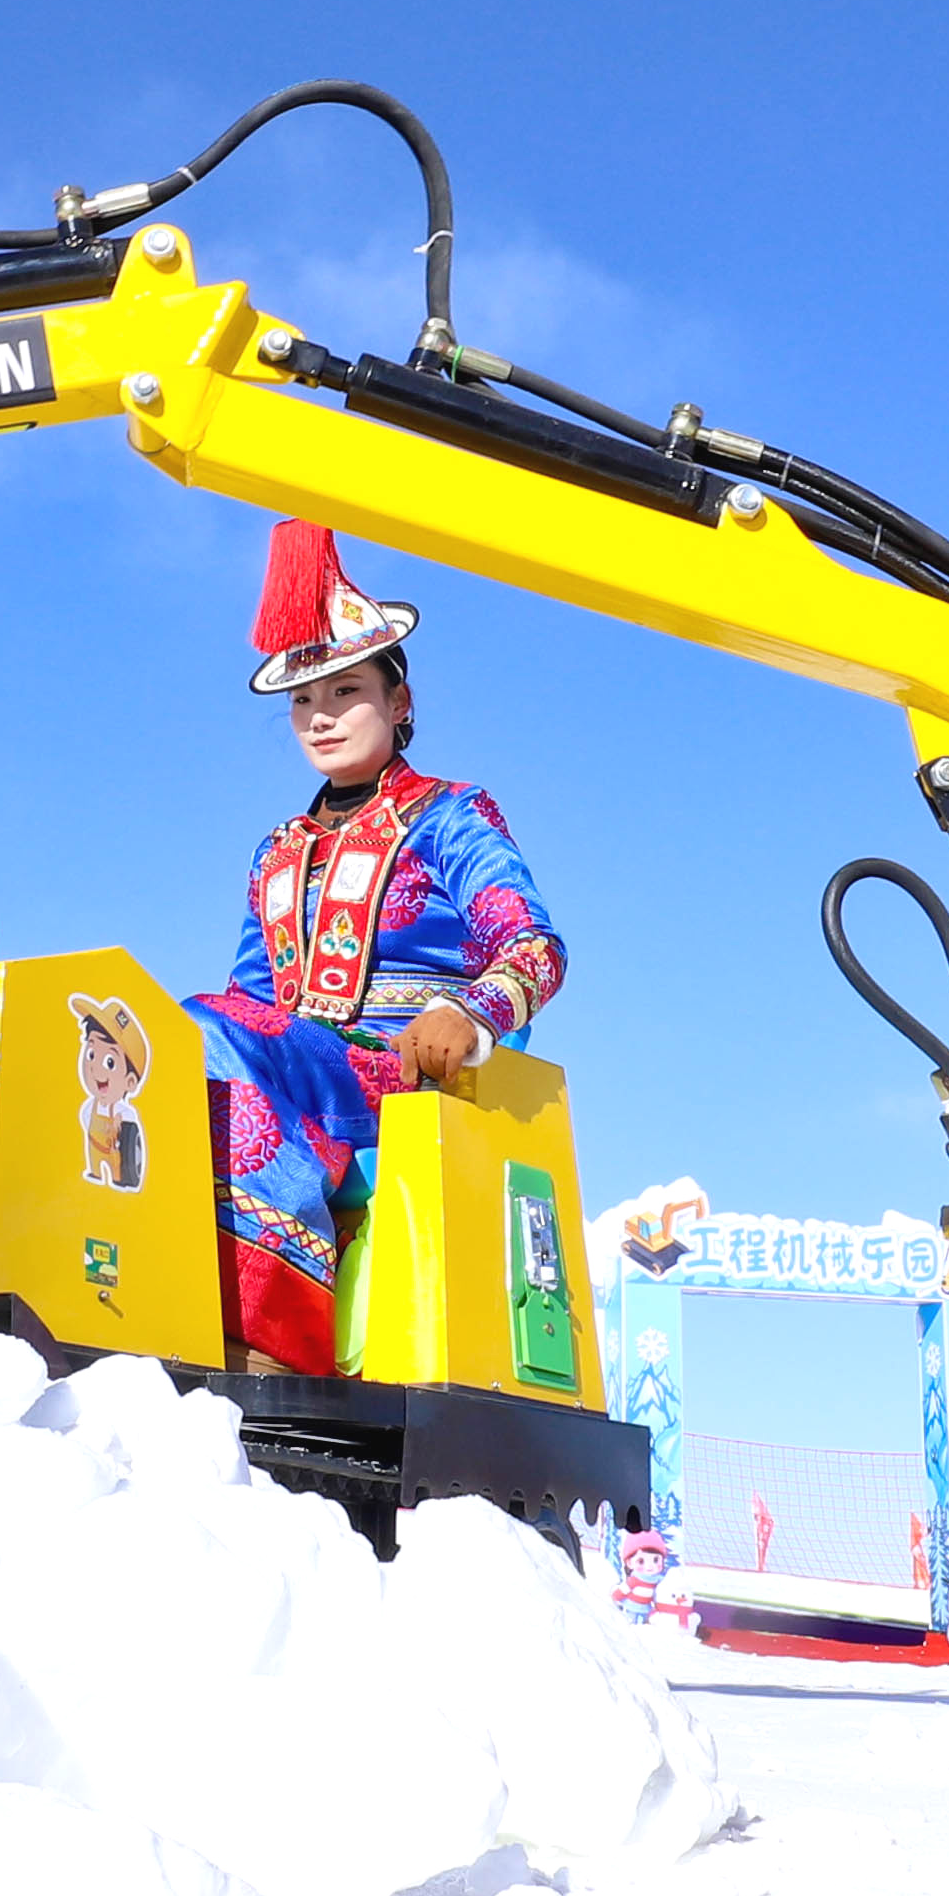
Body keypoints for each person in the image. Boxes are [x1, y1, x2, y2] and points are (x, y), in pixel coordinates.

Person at [182, 522, 569, 1373]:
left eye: (346, 691)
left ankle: (275, 1323)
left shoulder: (450, 815)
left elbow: (535, 947)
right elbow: (248, 1005)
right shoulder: (276, 850)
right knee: (172, 1037)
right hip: (296, 1069)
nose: (320, 716)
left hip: (400, 1072)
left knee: (204, 1025)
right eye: (303, 701)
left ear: (399, 703)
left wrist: (470, 1015)